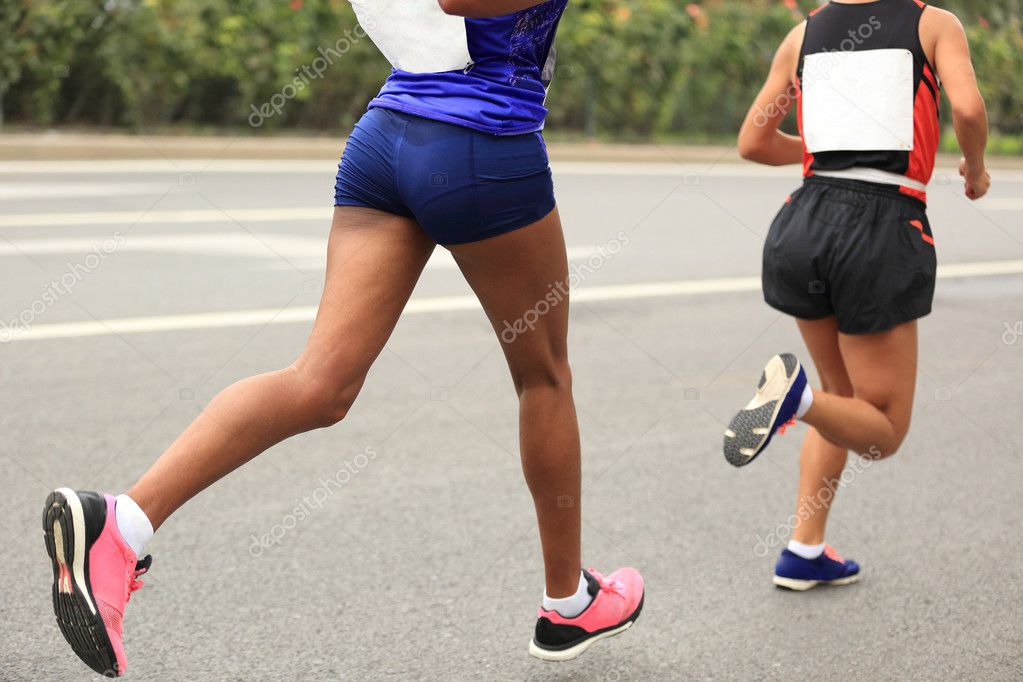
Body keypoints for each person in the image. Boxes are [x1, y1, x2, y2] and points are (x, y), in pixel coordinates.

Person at [41, 1, 644, 676]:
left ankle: (120, 525)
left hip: (386, 138)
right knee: (544, 376)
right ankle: (567, 605)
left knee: (318, 385)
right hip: (480, 143)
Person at [725, 0, 990, 590]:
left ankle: (803, 549)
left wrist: (829, 143)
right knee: (884, 430)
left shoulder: (804, 34)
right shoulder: (933, 24)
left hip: (802, 224)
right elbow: (969, 107)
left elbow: (752, 141)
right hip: (881, 226)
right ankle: (795, 401)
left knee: (842, 398)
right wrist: (975, 170)